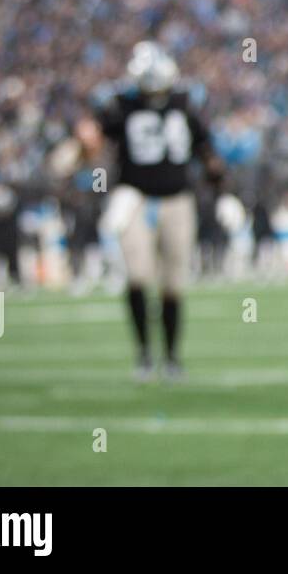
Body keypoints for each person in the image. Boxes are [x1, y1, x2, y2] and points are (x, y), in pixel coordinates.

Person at [77, 42, 225, 381]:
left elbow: (206, 151)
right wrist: (85, 143)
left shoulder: (183, 104)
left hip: (177, 199)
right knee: (138, 276)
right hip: (135, 198)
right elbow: (94, 141)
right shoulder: (123, 106)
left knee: (173, 283)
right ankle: (144, 353)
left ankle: (171, 356)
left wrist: (223, 191)